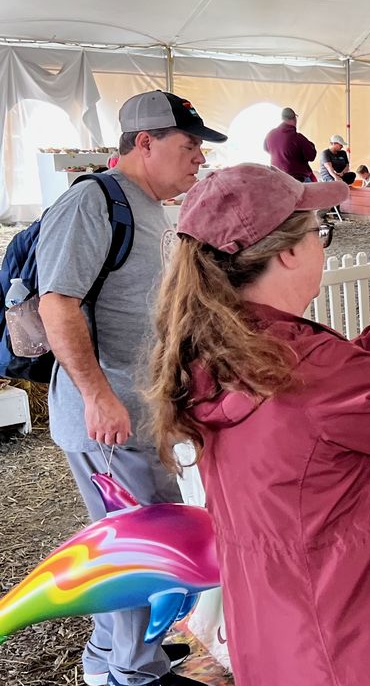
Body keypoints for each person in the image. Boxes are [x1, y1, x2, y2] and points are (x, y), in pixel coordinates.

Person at [146, 163, 370, 686]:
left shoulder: (221, 348)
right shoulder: (308, 370)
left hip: (284, 631)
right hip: (361, 640)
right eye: (319, 231)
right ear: (286, 252)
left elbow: (332, 405)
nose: (322, 244)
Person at [36, 89, 227, 686]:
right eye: (188, 145)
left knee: (125, 542)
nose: (199, 157)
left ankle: (107, 659)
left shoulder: (149, 208)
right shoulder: (94, 203)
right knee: (147, 550)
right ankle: (133, 673)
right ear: (144, 143)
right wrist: (97, 394)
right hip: (109, 417)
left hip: (137, 413)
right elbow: (57, 303)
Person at [263, 107, 317, 183]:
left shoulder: (270, 134)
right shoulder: (297, 137)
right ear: (294, 118)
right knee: (316, 191)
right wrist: (311, 145)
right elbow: (311, 156)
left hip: (278, 179)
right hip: (297, 179)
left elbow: (266, 148)